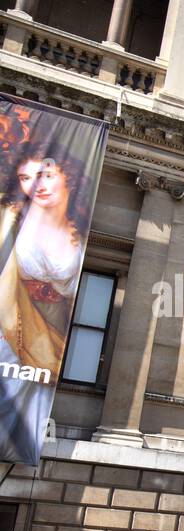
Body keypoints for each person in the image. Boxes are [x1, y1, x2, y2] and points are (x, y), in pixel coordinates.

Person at [1, 145, 91, 464]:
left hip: (52, 347)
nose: (36, 185)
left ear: (69, 178)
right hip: (10, 331)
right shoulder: (9, 219)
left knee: (25, 420)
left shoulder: (80, 232)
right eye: (26, 177)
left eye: (46, 175)